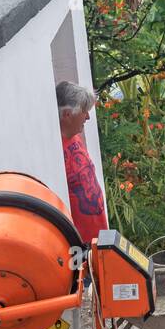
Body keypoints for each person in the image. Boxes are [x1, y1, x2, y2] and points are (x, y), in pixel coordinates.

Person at [56, 81, 108, 246]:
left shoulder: (75, 136)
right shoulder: (56, 151)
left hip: (98, 236)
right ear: (67, 114)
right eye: (84, 111)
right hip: (79, 244)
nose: (88, 117)